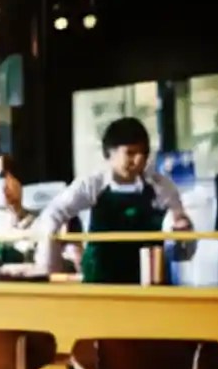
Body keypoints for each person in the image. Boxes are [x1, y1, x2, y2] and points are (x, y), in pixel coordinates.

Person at [34, 117, 194, 283]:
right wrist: (48, 268)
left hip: (149, 282)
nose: (139, 160)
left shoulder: (162, 187)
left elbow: (182, 249)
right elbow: (53, 213)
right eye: (130, 153)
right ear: (109, 153)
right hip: (100, 283)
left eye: (144, 153)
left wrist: (182, 232)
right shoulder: (92, 185)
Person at [0, 170, 37, 279]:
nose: (6, 188)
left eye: (11, 182)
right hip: (0, 288)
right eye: (4, 184)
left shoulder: (37, 223)